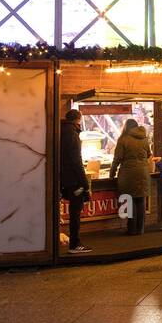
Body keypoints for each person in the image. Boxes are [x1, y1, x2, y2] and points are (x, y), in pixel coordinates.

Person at [111, 117, 152, 235]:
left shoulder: (123, 139)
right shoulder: (144, 139)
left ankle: (132, 229)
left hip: (128, 173)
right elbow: (149, 154)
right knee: (141, 199)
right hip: (143, 172)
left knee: (130, 200)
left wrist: (112, 173)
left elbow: (117, 158)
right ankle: (140, 229)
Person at [59, 108, 91, 255]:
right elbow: (76, 161)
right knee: (75, 212)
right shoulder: (73, 134)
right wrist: (85, 184)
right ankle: (75, 244)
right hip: (74, 182)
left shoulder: (60, 131)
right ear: (78, 119)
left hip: (63, 180)